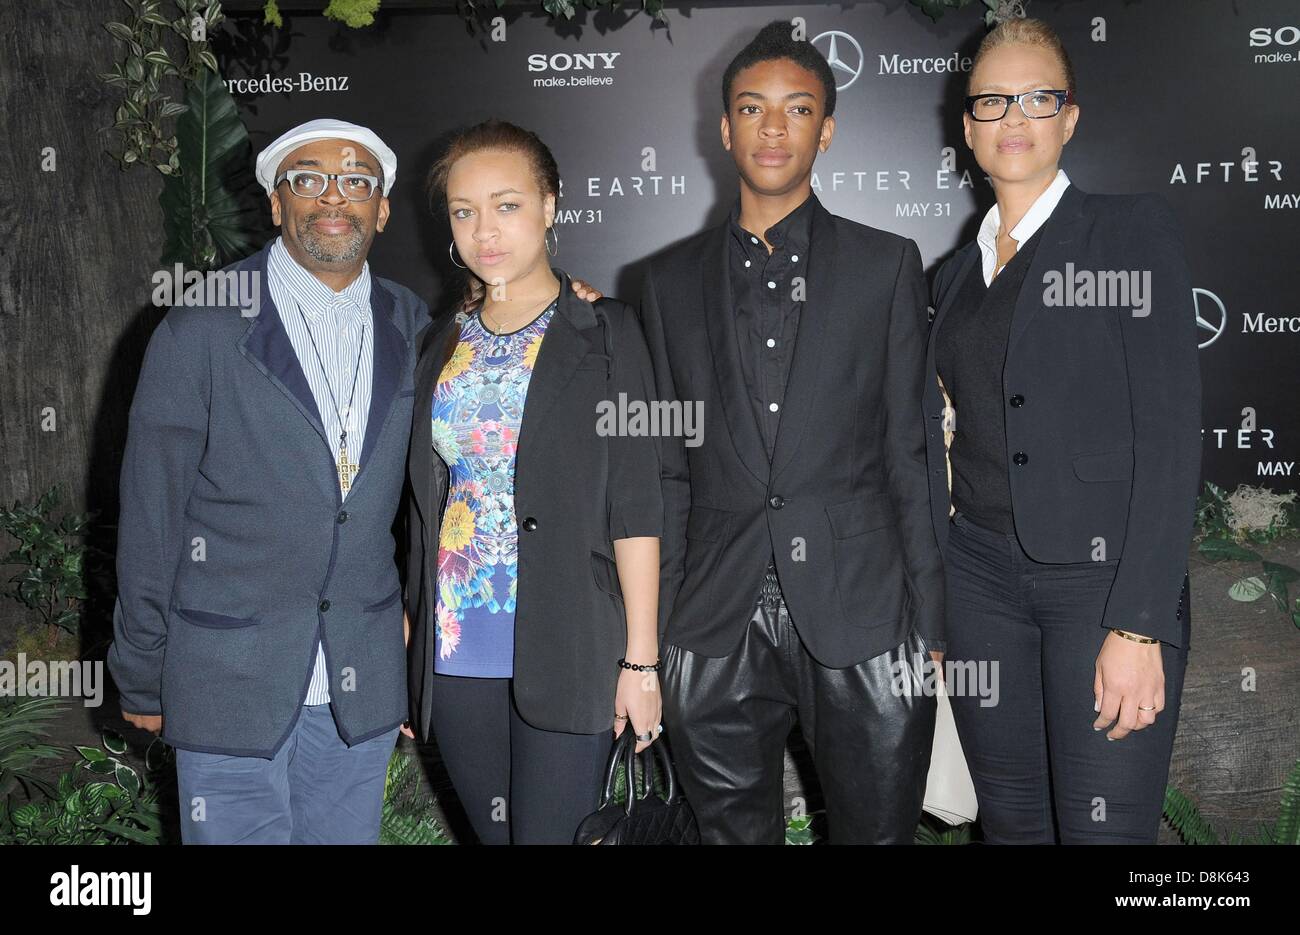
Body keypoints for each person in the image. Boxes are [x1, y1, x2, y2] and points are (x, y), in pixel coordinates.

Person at [639, 22, 944, 844]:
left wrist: (934, 625)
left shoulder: (887, 265)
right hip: (712, 621)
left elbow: (910, 453)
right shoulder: (663, 286)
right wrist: (653, 638)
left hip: (865, 613)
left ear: (827, 129)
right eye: (753, 108)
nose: (774, 128)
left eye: (798, 109)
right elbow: (665, 471)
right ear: (725, 127)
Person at [923, 18, 1201, 843]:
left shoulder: (1128, 233)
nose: (1016, 117)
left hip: (1100, 587)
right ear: (968, 129)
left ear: (1069, 118)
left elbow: (1170, 435)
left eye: (1039, 98)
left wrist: (1139, 622)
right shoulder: (949, 277)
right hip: (977, 584)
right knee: (1011, 828)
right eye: (994, 101)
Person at [108, 119, 424, 843]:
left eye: (356, 181)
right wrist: (144, 670)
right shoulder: (202, 324)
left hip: (360, 683)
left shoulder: (415, 323)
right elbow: (153, 515)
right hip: (226, 682)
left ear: (381, 207)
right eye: (307, 178)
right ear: (276, 203)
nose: (332, 197)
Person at [404, 119, 664, 844]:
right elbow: (421, 503)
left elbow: (637, 503)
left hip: (572, 641)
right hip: (457, 648)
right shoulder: (437, 343)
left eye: (507, 204)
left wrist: (640, 659)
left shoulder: (608, 332)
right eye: (464, 211)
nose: (485, 230)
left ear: (551, 205)